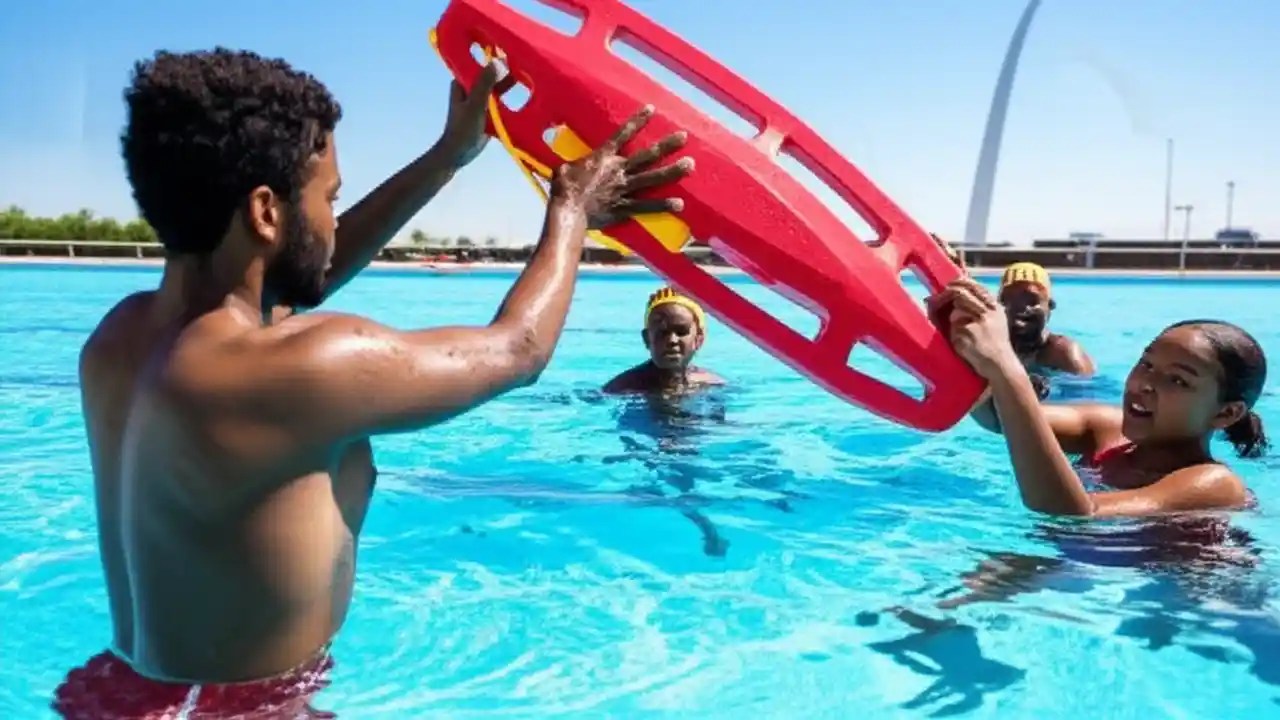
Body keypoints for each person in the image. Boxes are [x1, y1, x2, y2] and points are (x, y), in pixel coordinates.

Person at [59, 47, 692, 718]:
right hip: (254, 709)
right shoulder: (307, 366)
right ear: (267, 212)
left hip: (118, 692)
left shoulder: (118, 341)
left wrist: (450, 156)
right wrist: (573, 211)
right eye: (329, 198)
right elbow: (518, 349)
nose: (335, 221)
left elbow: (302, 276)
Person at [929, 276, 1267, 517]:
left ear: (1226, 413)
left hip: (1198, 605)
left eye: (1177, 380)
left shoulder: (1215, 483)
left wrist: (1005, 365)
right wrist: (955, 327)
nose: (1145, 383)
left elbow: (1075, 515)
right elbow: (998, 416)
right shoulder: (1106, 428)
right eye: (1146, 363)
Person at [602, 286, 724, 395]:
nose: (672, 340)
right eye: (662, 333)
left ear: (699, 340)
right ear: (647, 339)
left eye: (681, 332)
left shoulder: (712, 385)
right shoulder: (620, 389)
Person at [998, 261, 1095, 378]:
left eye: (1031, 300)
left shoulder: (1062, 353)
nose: (1019, 309)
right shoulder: (993, 348)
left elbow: (1085, 393)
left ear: (1049, 307)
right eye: (1009, 300)